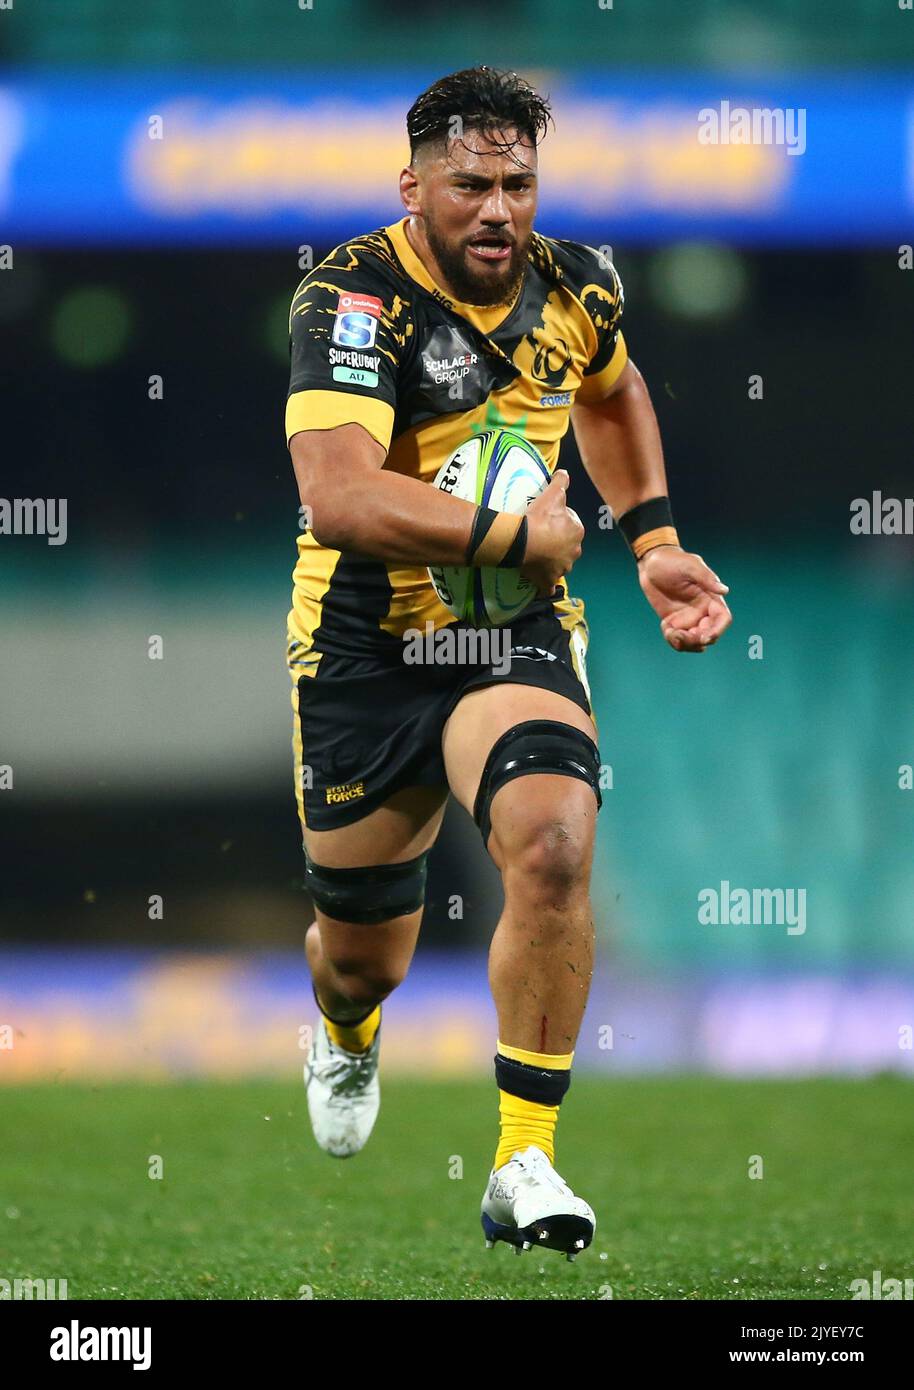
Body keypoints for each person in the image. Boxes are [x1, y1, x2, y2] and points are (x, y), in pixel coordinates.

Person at [284, 66, 731, 1259]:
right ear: (413, 183)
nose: (496, 208)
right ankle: (343, 1026)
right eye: (470, 183)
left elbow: (614, 388)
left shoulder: (576, 284)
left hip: (511, 630)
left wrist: (655, 539)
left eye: (517, 184)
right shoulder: (350, 297)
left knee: (551, 833)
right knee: (362, 954)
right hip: (366, 647)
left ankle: (521, 1156)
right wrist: (515, 532)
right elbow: (335, 498)